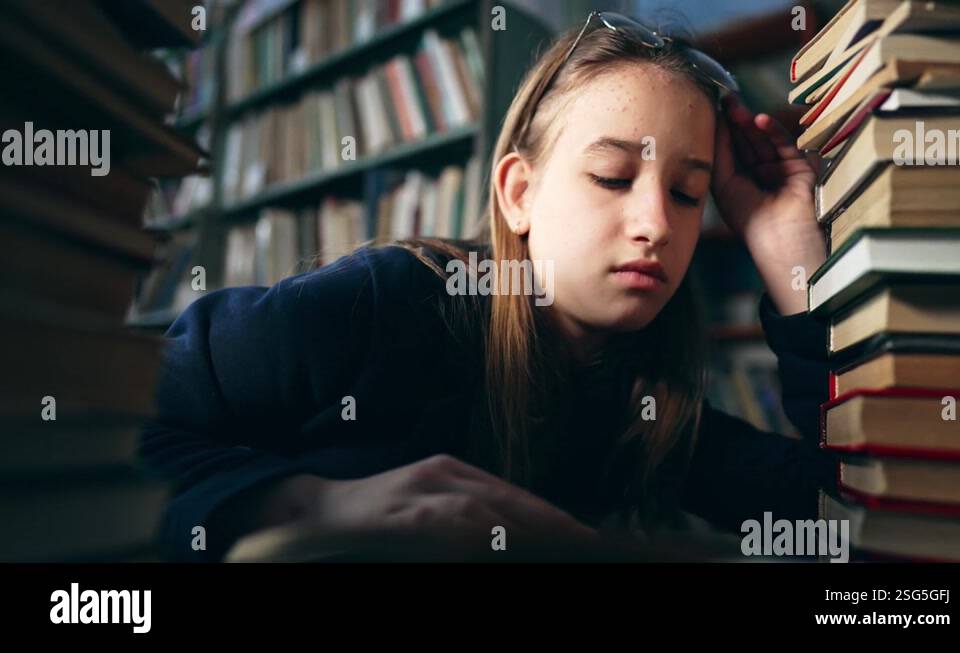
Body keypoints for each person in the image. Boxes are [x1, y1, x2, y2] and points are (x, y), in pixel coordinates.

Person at [139, 12, 838, 562]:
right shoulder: (388, 304)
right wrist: (300, 503)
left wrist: (791, 259)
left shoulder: (649, 407)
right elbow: (104, 424)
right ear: (518, 193)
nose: (656, 223)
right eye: (612, 178)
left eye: (688, 193)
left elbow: (846, 515)